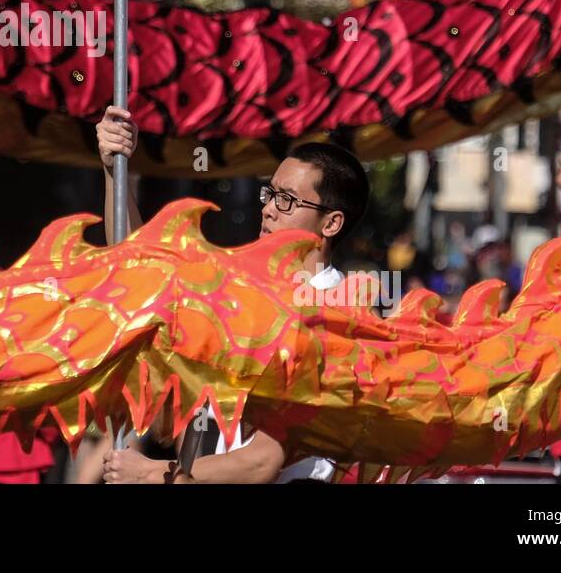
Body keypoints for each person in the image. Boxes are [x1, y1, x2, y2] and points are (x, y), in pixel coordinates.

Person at [95, 106, 370, 484]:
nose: (269, 210)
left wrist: (152, 473)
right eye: (270, 194)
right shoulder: (240, 292)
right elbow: (143, 270)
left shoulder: (333, 315)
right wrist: (115, 172)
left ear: (332, 222)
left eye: (287, 200)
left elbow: (262, 461)